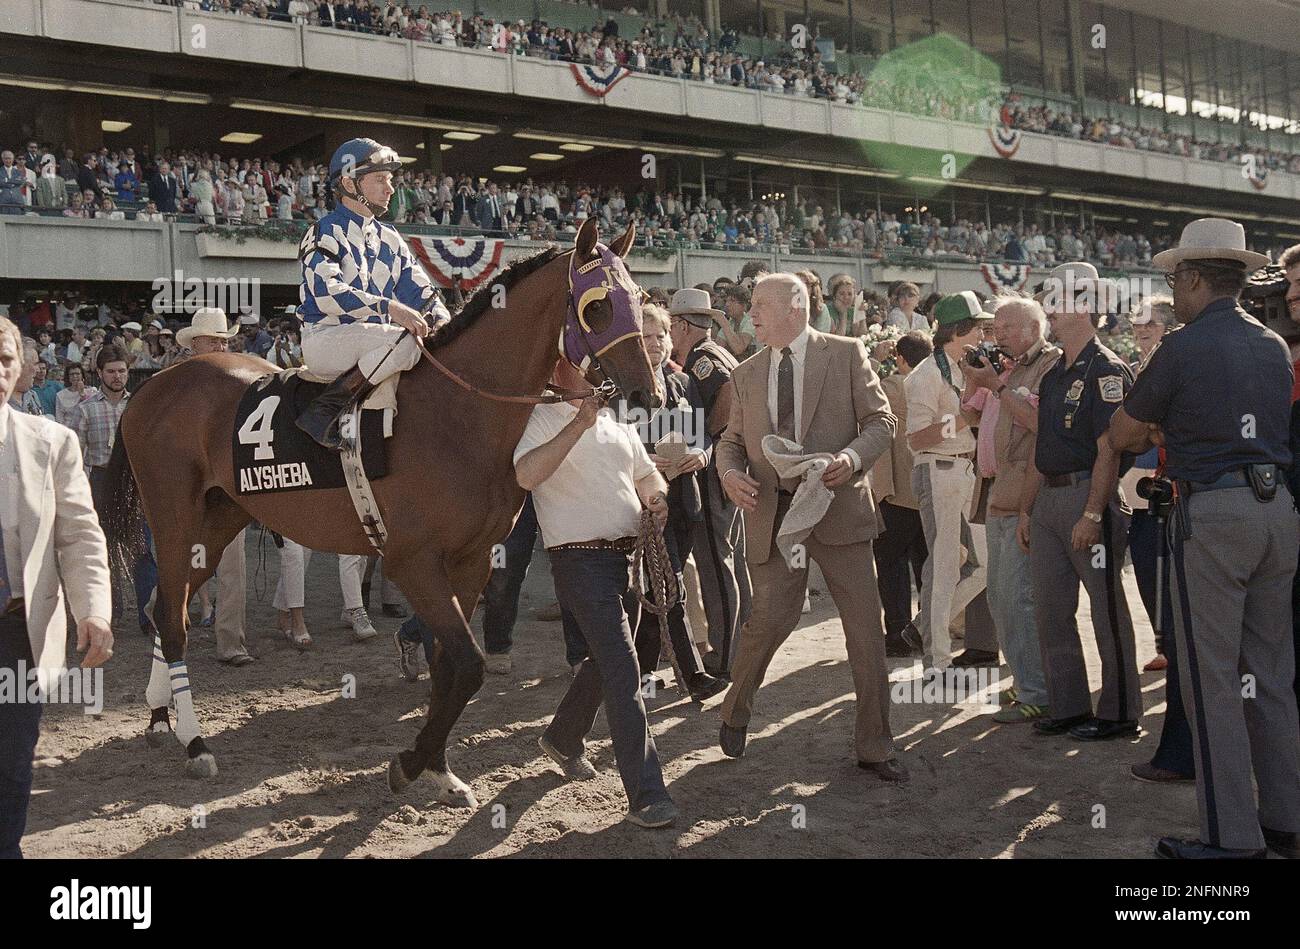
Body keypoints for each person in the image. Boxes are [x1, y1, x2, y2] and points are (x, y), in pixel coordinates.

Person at [1110, 218, 1300, 860]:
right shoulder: (1272, 343)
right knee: (1270, 676)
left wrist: (1164, 431)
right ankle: (1285, 820)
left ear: (1192, 278)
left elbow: (1125, 434)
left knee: (1211, 678)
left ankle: (1231, 838)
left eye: (1174, 280)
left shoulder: (1182, 346)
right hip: (1277, 509)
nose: (1174, 290)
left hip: (1214, 513)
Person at [716, 273, 904, 781]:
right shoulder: (747, 372)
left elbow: (881, 422)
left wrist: (850, 456)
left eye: (759, 304)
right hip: (776, 517)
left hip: (839, 510)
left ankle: (875, 746)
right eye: (750, 304)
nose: (748, 313)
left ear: (795, 307)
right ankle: (736, 709)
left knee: (866, 632)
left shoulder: (844, 353)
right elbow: (730, 441)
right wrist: (730, 473)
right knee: (769, 623)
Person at [514, 355, 678, 830]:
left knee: (606, 665)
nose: (593, 368)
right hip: (578, 561)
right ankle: (647, 793)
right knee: (624, 671)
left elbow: (647, 475)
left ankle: (563, 738)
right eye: (578, 360)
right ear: (555, 370)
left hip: (629, 558)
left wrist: (657, 498)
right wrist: (576, 426)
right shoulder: (536, 418)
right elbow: (526, 475)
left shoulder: (616, 421)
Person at [0, 317, 113, 859]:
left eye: (5, 360)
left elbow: (80, 535)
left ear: (20, 369)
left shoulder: (50, 443)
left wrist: (93, 610)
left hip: (17, 632)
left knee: (12, 762)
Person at [1020, 262, 1141, 741]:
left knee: (1105, 609)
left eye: (1059, 299)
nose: (1050, 307)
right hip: (1050, 499)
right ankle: (1069, 705)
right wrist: (1027, 510)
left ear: (1087, 306)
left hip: (1086, 496)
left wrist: (1093, 511)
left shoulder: (1106, 369)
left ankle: (1119, 712)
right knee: (1051, 609)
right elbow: (1039, 446)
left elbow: (1110, 447)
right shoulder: (1054, 372)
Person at [295, 137, 450, 449]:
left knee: (426, 341)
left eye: (390, 180)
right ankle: (326, 410)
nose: (390, 189)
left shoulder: (390, 237)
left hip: (373, 339)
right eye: (380, 179)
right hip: (325, 339)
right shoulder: (323, 231)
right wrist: (392, 309)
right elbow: (327, 293)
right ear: (350, 184)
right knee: (405, 341)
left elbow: (423, 293)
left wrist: (447, 324)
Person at [961, 295, 1058, 722]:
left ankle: (1037, 691)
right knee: (1001, 598)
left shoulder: (1047, 366)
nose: (996, 337)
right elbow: (970, 417)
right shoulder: (1010, 368)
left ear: (1033, 329)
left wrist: (997, 384)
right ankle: (1025, 685)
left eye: (1005, 329)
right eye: (993, 330)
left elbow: (1040, 425)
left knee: (1019, 599)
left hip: (1026, 495)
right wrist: (974, 376)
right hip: (1000, 493)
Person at [631, 304, 726, 701]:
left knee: (659, 590)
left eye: (661, 336)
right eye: (647, 337)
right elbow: (613, 441)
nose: (655, 344)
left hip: (688, 497)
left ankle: (638, 673)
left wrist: (702, 455)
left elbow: (703, 434)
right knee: (671, 585)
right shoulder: (624, 387)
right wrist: (642, 460)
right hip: (649, 502)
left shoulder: (684, 382)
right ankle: (694, 675)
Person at [900, 292, 991, 677]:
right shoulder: (924, 375)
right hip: (937, 468)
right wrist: (964, 419)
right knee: (943, 566)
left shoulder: (961, 367)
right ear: (960, 331)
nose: (984, 336)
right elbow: (916, 438)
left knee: (986, 564)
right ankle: (936, 660)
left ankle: (924, 630)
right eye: (979, 328)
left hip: (964, 468)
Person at [668, 288, 747, 675]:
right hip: (731, 464)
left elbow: (730, 395)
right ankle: (741, 646)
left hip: (716, 466)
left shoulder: (702, 357)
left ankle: (726, 656)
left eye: (669, 325)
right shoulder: (718, 352)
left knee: (716, 562)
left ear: (682, 325)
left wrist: (712, 434)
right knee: (730, 560)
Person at [174, 308, 253, 664]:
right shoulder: (174, 385)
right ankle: (160, 610)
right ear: (195, 344)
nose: (221, 345)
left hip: (227, 488)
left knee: (233, 567)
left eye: (224, 339)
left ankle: (231, 643)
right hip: (187, 488)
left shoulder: (240, 383)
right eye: (213, 340)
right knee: (183, 562)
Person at [870, 331, 929, 656]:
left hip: (898, 493)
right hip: (930, 491)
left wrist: (877, 358)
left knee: (891, 567)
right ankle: (926, 632)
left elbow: (859, 387)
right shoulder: (940, 383)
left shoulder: (892, 386)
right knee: (927, 567)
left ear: (901, 359)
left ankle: (897, 635)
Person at [54, 364, 96, 429]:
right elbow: (59, 419)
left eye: (77, 374)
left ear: (82, 375)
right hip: (68, 430)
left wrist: (82, 393)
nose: (75, 376)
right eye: (72, 374)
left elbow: (92, 412)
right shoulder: (60, 395)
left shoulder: (92, 391)